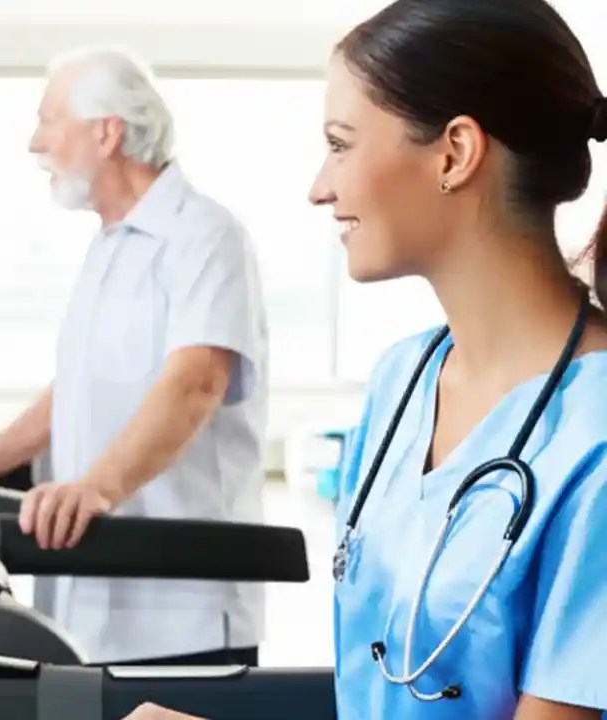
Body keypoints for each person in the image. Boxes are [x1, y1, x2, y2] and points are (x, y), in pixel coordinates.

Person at [123, 0, 607, 718]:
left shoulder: (593, 437)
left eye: (341, 143)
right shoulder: (402, 381)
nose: (320, 186)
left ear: (455, 153)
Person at [0, 47, 271, 667]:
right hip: (89, 591)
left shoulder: (204, 235)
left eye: (49, 119)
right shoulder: (110, 245)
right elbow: (76, 390)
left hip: (184, 608)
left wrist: (95, 487)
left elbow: (196, 382)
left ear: (106, 131)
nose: (35, 143)